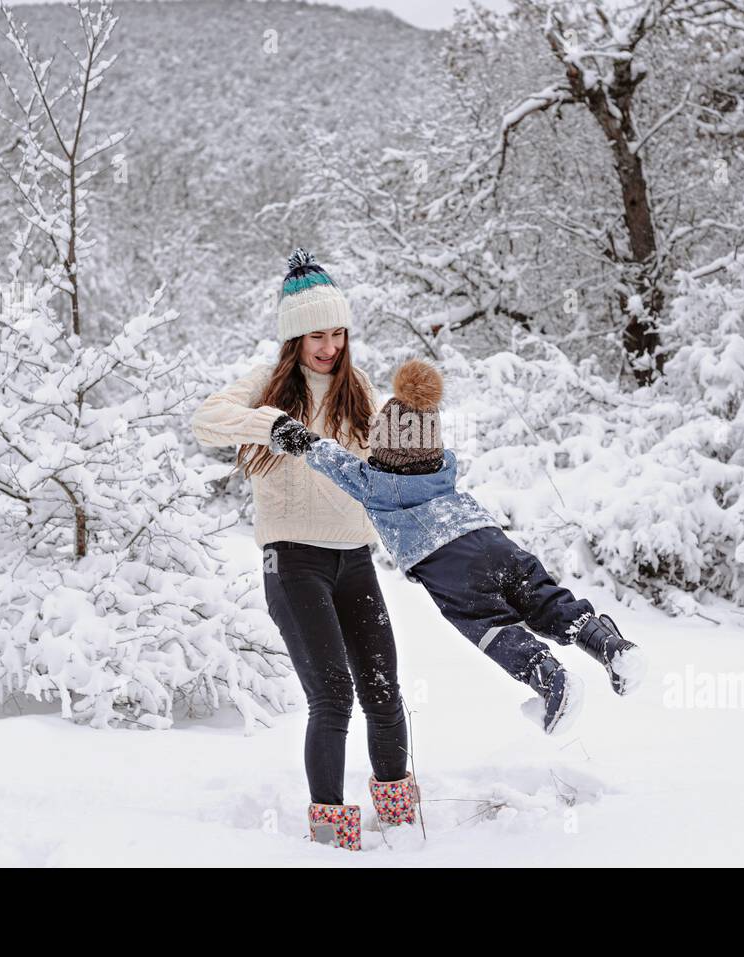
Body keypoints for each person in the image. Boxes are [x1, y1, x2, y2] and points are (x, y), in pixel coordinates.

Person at [266, 357, 647, 735]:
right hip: (489, 537)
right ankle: (608, 645)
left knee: (487, 624)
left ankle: (548, 679)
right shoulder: (443, 467)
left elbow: (330, 459)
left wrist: (295, 436)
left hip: (447, 562)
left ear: (381, 448)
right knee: (543, 597)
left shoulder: (373, 484)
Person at [190, 249, 418, 852]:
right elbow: (206, 420)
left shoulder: (359, 389)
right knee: (333, 695)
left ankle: (400, 820)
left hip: (355, 557)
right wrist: (272, 427)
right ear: (294, 337)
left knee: (384, 689)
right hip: (293, 561)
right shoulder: (265, 386)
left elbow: (391, 458)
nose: (329, 346)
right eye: (316, 334)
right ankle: (329, 834)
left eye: (338, 332)